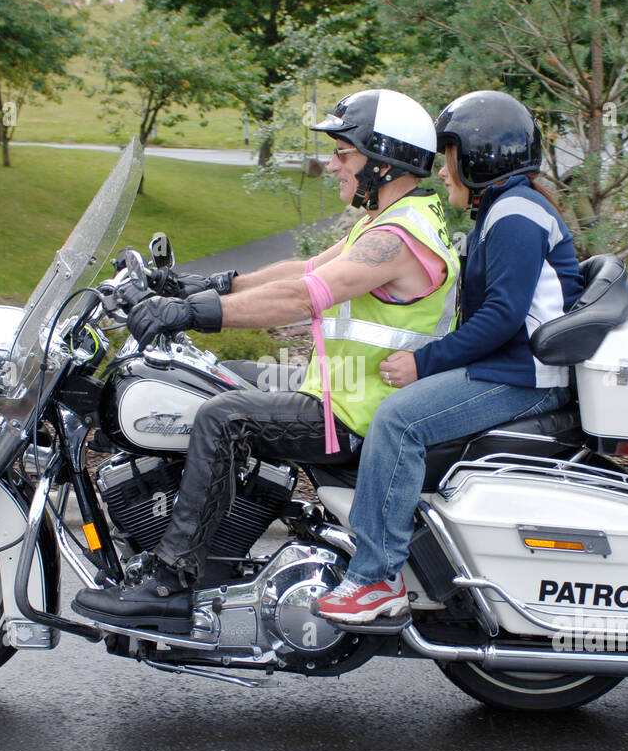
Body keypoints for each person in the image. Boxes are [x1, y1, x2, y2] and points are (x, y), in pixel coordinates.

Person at [73, 88, 463, 629]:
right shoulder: (392, 220)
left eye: (343, 153)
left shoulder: (397, 238)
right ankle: (229, 540)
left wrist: (190, 314)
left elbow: (304, 298)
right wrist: (196, 286)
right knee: (215, 379)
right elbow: (303, 271)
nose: (333, 166)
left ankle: (171, 581)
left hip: (359, 414)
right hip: (339, 390)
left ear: (382, 159)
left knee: (222, 416)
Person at [314, 90, 584, 624]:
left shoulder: (516, 216)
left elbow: (503, 319)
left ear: (482, 156)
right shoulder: (508, 210)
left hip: (526, 374)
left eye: (450, 155)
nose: (441, 170)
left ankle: (375, 579)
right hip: (514, 364)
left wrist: (426, 362)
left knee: (398, 422)